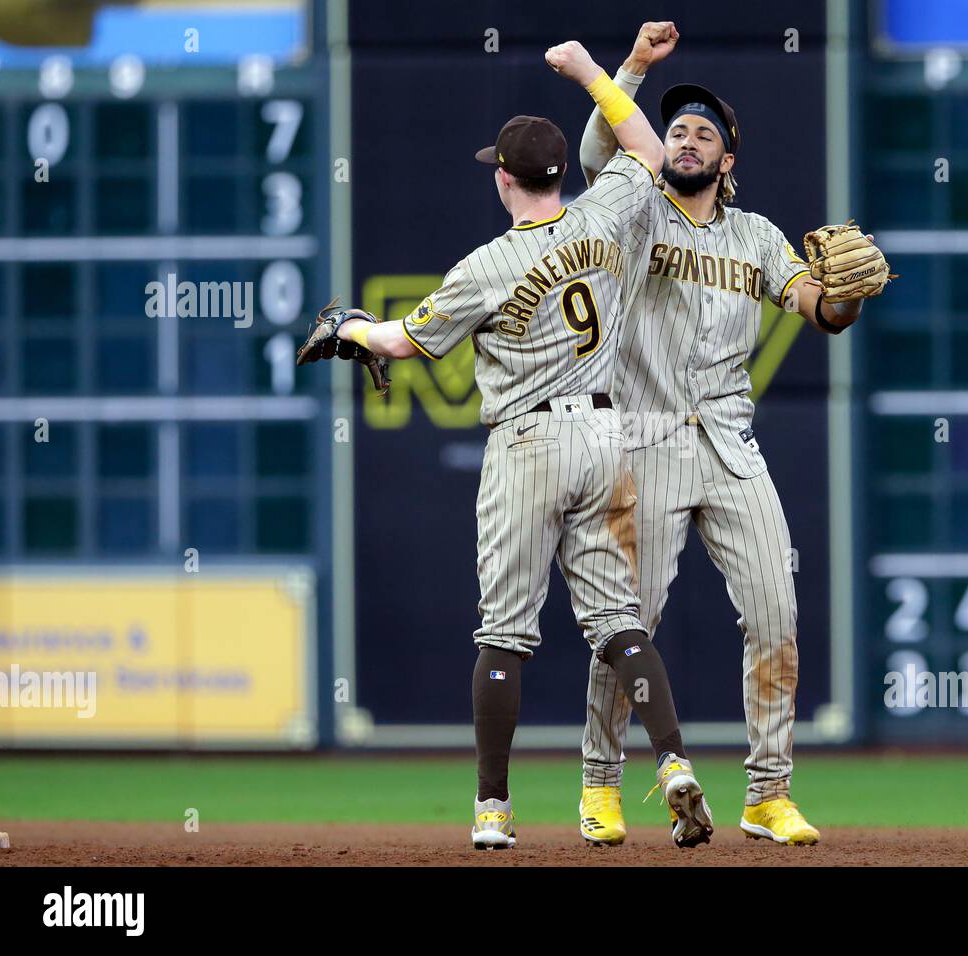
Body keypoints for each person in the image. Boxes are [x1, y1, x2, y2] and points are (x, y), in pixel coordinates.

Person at [301, 33, 714, 849]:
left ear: (503, 178)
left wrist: (352, 325)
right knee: (620, 623)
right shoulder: (607, 210)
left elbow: (400, 345)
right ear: (560, 173)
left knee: (505, 632)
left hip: (527, 444)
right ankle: (671, 762)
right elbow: (641, 143)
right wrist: (600, 72)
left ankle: (493, 810)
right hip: (606, 433)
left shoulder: (483, 267)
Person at [575, 22, 884, 847]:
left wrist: (848, 297)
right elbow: (600, 149)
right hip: (645, 443)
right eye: (676, 130)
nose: (683, 139)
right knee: (625, 624)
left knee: (776, 612)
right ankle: (601, 785)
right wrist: (635, 67)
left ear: (727, 162)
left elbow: (821, 309)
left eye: (702, 133)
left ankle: (767, 793)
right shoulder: (633, 207)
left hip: (731, 447)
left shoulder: (756, 238)